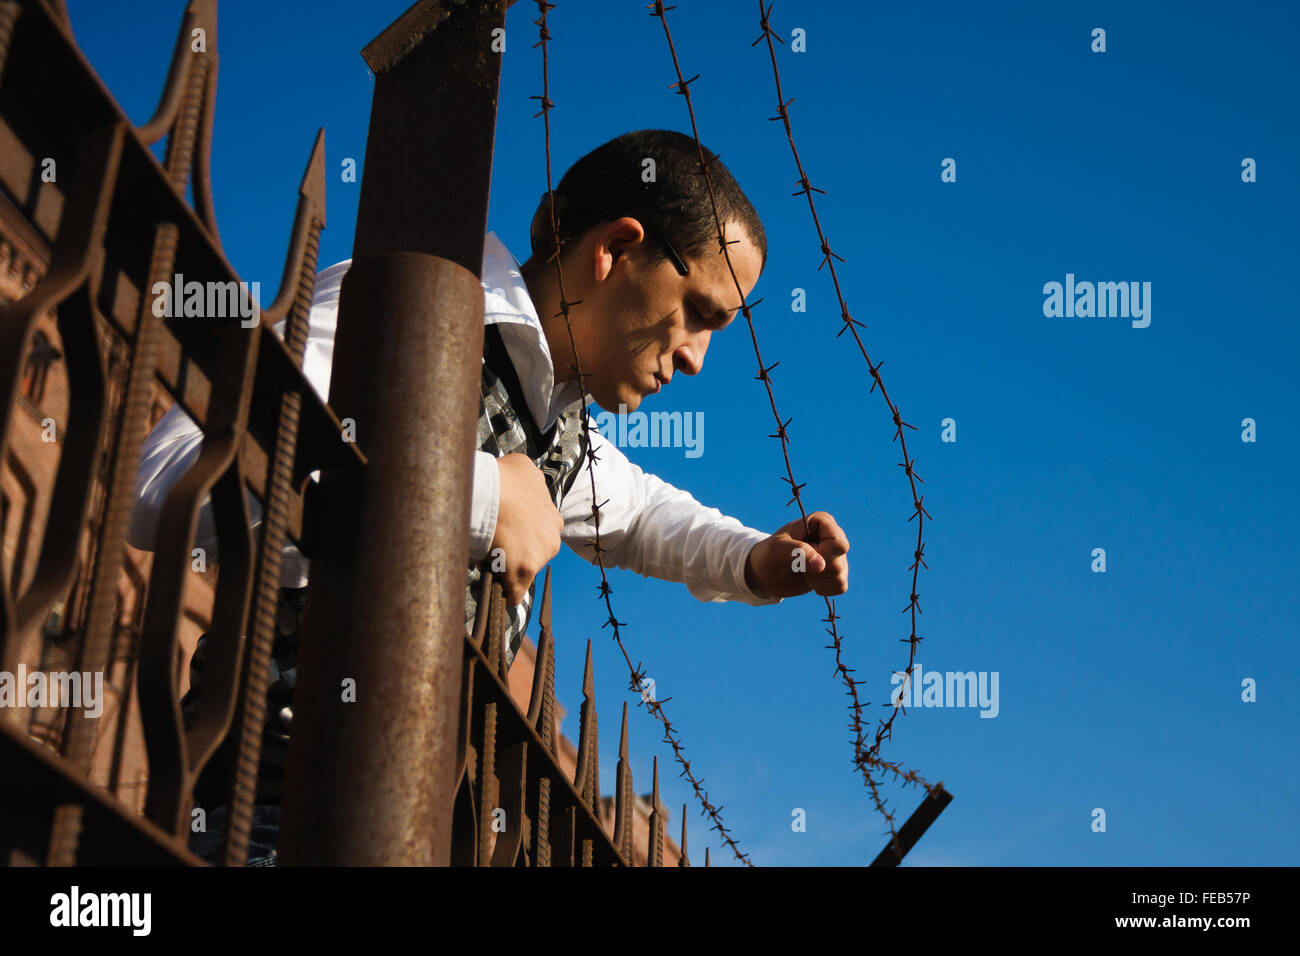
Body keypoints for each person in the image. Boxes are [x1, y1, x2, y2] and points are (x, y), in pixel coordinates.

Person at [128, 129, 851, 865]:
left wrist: (756, 561)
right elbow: (162, 481)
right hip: (266, 813)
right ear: (618, 250)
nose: (697, 357)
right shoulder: (403, 304)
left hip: (406, 826)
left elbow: (645, 515)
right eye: (700, 311)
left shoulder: (561, 422)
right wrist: (474, 500)